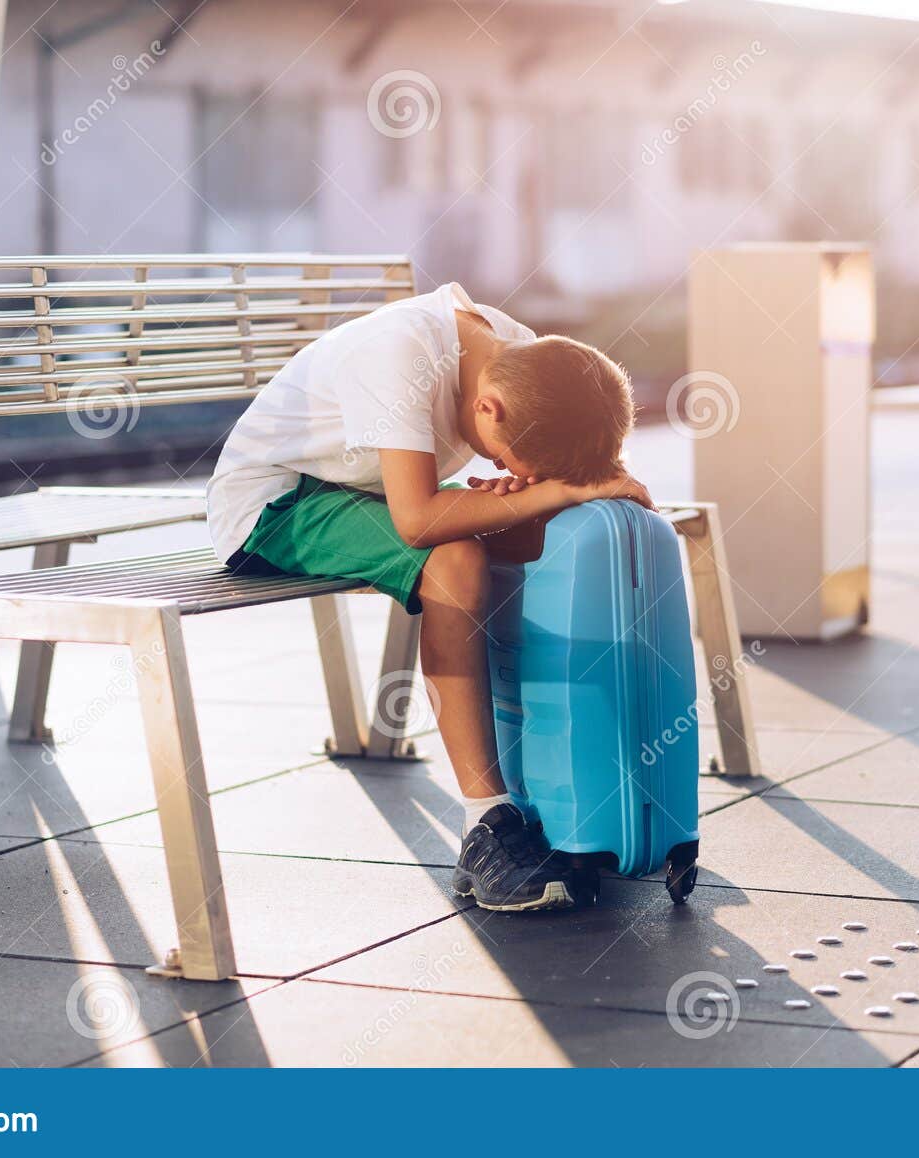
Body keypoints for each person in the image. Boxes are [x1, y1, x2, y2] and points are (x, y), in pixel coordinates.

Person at [208, 282, 652, 911]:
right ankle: (485, 823)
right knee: (459, 558)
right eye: (515, 461)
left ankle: (570, 793)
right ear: (490, 410)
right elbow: (417, 520)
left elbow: (548, 473)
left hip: (360, 488)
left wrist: (561, 493)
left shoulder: (518, 353)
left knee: (531, 532)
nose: (519, 474)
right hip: (278, 502)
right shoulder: (400, 353)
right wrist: (548, 494)